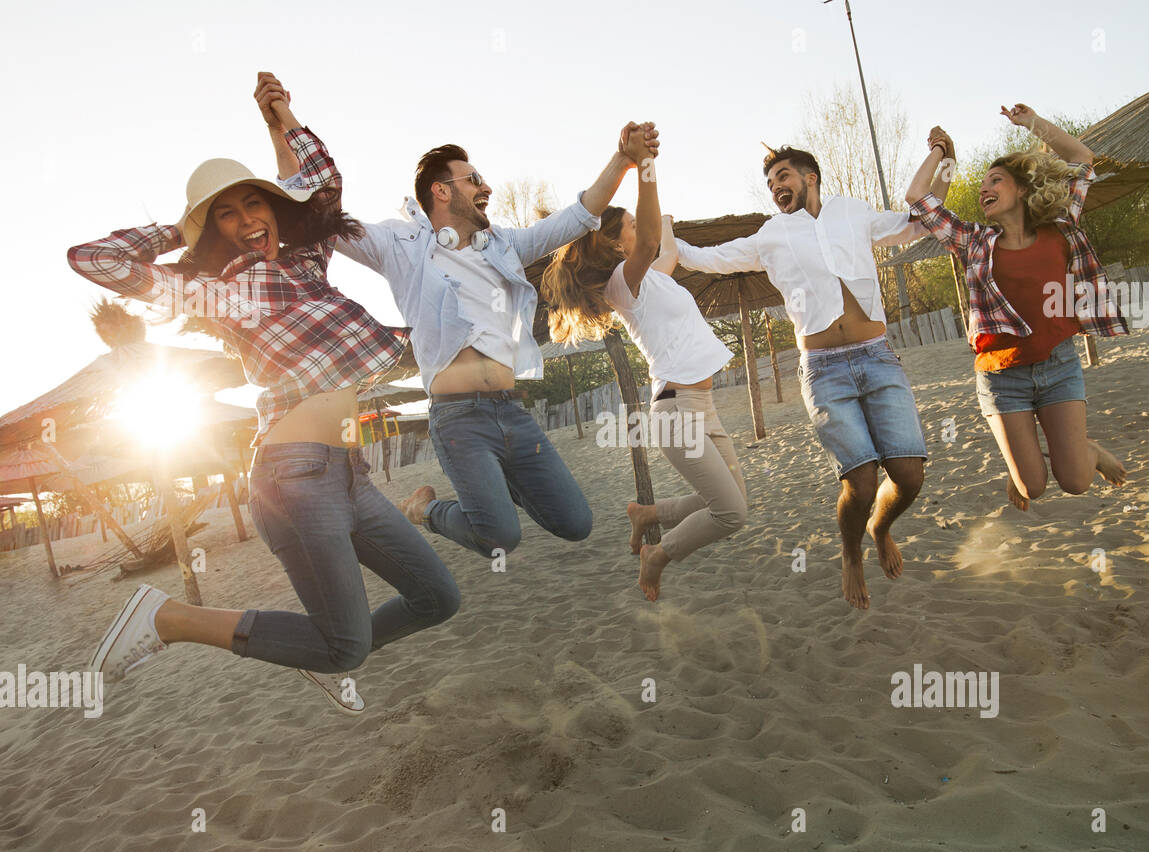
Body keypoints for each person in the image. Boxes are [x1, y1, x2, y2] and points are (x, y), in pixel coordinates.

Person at [67, 73, 460, 715]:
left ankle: (313, 644)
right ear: (213, 231)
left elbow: (322, 179)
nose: (247, 219)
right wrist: (180, 230)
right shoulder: (216, 290)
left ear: (274, 209)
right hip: (293, 476)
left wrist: (279, 115)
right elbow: (92, 260)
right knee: (347, 645)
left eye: (255, 203)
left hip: (347, 473)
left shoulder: (306, 263)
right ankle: (171, 619)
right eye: (227, 212)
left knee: (437, 598)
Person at [271, 119, 659, 560]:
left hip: (512, 412)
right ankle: (426, 508)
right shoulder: (399, 244)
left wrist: (624, 159)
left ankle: (495, 486)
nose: (486, 187)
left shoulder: (504, 246)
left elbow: (579, 215)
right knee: (500, 538)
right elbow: (317, 219)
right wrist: (282, 126)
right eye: (474, 179)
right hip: (459, 422)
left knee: (576, 523)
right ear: (441, 190)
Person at [671, 142, 953, 610]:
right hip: (823, 373)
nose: (776, 187)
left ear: (810, 176)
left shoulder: (854, 212)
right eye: (771, 183)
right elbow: (708, 257)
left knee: (909, 475)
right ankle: (851, 555)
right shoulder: (771, 235)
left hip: (877, 357)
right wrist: (662, 232)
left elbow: (922, 221)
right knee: (860, 482)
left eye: (783, 176)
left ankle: (880, 529)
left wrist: (944, 157)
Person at [540, 127, 744, 601]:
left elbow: (663, 248)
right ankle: (658, 554)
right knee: (730, 512)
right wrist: (646, 165)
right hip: (676, 411)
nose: (637, 228)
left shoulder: (650, 281)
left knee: (729, 497)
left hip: (702, 404)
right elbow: (651, 243)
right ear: (616, 245)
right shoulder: (622, 284)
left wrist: (665, 218)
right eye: (629, 225)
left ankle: (648, 515)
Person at [904, 105, 1128, 511]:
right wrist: (943, 152)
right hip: (1002, 377)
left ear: (1022, 190)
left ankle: (1087, 451)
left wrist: (1032, 123)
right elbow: (918, 197)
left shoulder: (1061, 226)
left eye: (996, 181)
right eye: (982, 184)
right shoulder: (974, 242)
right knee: (1032, 489)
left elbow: (1082, 160)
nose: (983, 188)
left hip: (1058, 365)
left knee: (1076, 481)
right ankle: (1027, 460)